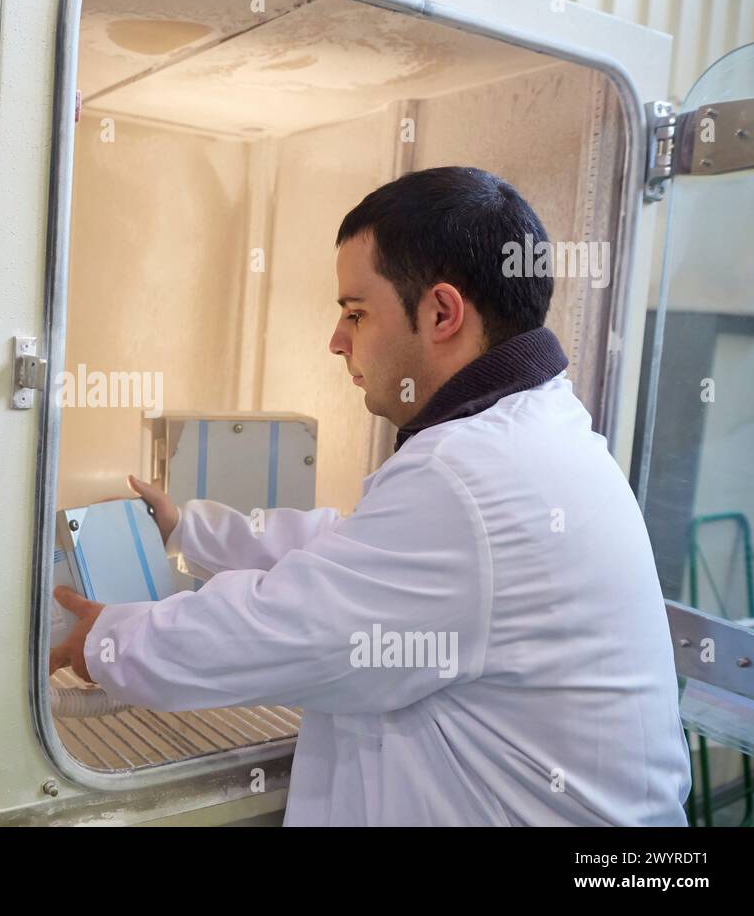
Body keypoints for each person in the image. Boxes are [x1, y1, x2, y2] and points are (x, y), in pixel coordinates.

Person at [48, 166, 691, 826]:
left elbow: (288, 629)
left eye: (356, 313)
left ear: (442, 313)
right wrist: (187, 528)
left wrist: (109, 642)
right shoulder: (525, 436)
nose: (336, 341)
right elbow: (357, 551)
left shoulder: (470, 474)